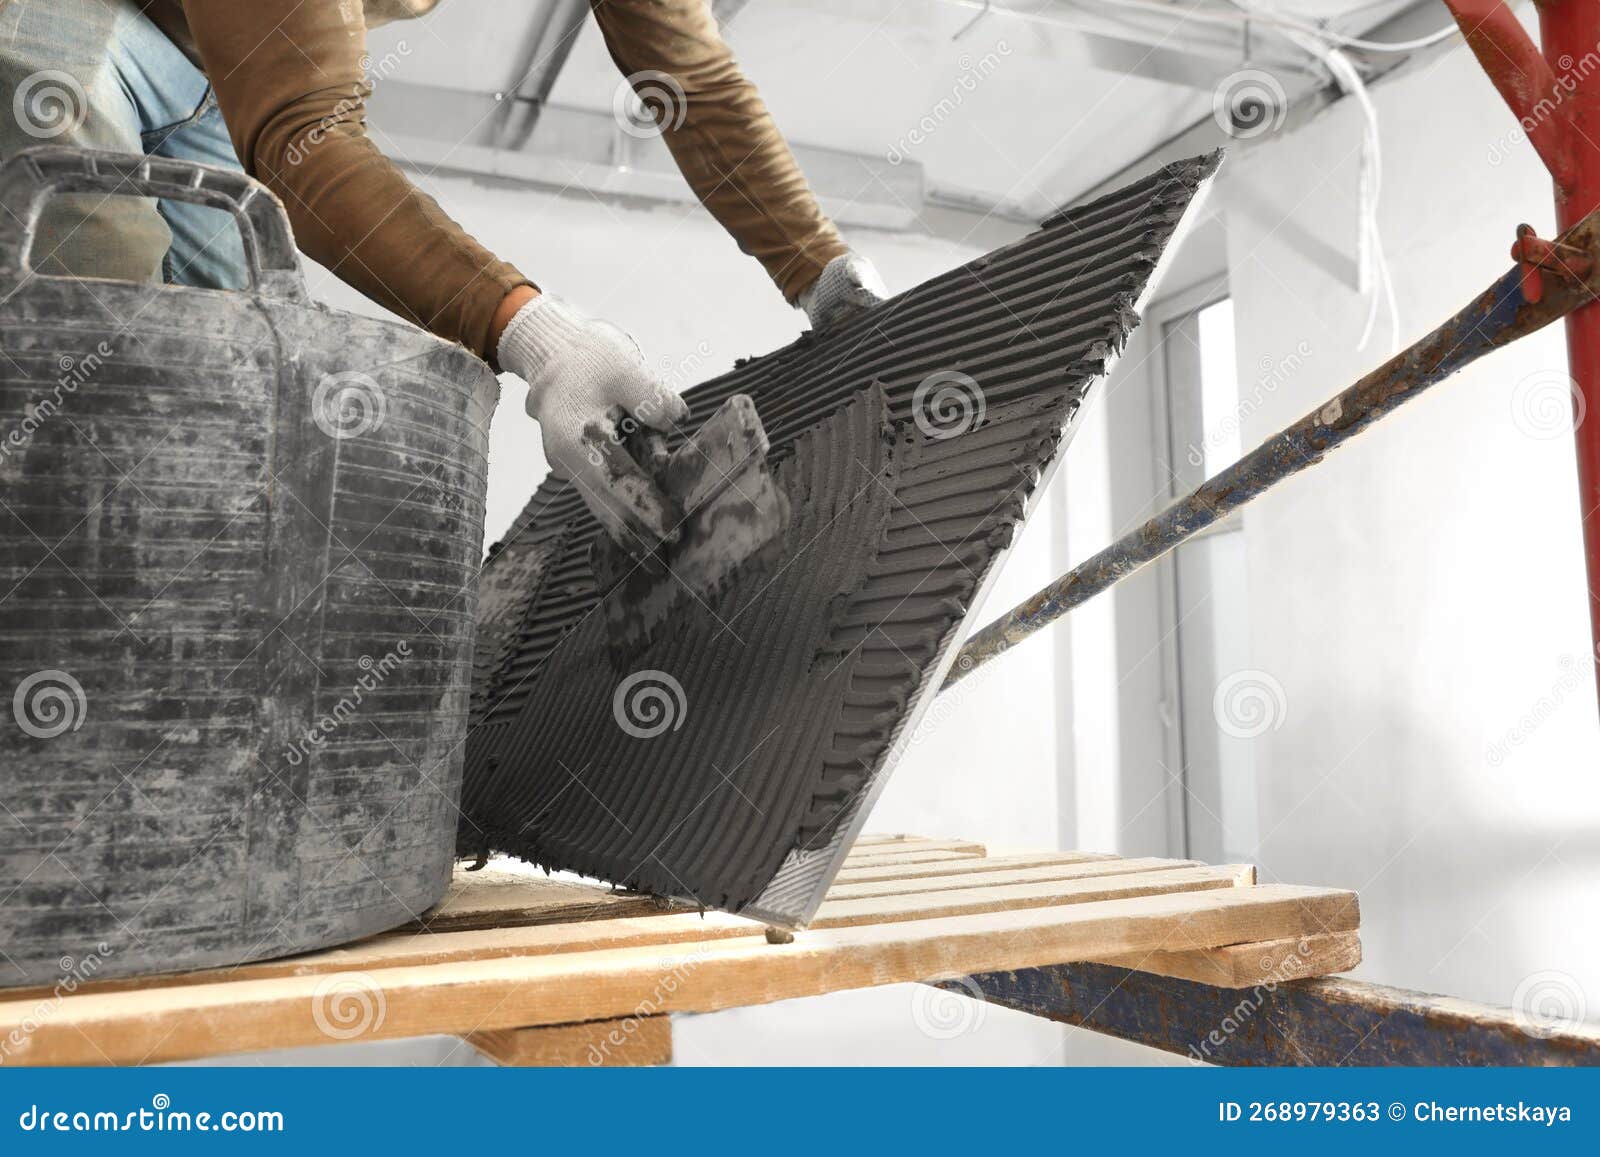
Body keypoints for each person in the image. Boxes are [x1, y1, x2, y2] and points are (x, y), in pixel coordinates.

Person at [0, 0, 887, 538]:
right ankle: (53, 602)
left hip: (204, 64)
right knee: (91, 226)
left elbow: (689, 72)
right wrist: (533, 334)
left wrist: (819, 271)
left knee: (237, 382)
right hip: (77, 26)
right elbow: (304, 143)